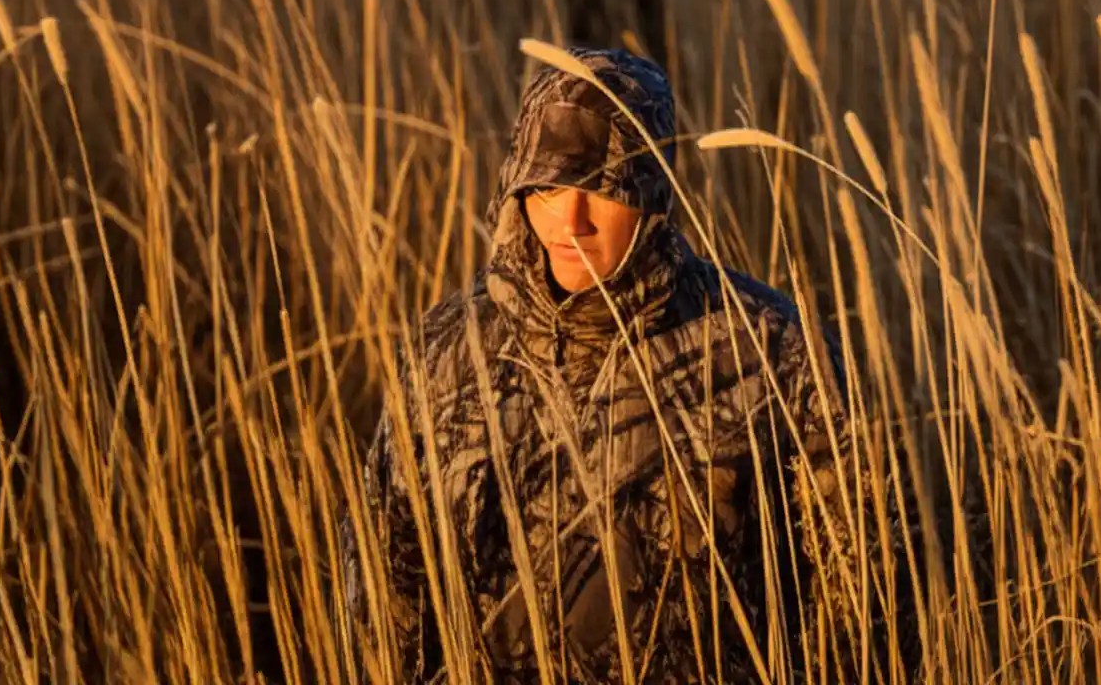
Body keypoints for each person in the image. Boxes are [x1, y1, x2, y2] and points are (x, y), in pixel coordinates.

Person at [339, 46, 916, 682]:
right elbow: (386, 584)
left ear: (654, 196)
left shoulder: (769, 349)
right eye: (549, 186)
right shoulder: (446, 351)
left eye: (601, 191)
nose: (571, 220)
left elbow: (869, 596)